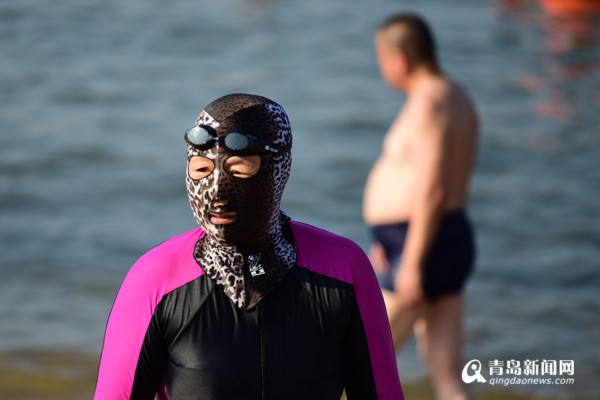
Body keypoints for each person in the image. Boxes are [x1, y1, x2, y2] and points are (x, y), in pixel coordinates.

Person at [95, 93, 404, 399]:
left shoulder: (344, 270)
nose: (216, 191)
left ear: (279, 170)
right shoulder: (156, 279)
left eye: (239, 170)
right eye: (201, 169)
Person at [363, 14, 479, 400]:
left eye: (380, 59)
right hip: (444, 236)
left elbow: (432, 190)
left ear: (399, 59)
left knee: (364, 363)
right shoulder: (458, 96)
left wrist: (411, 260)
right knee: (446, 371)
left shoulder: (428, 103)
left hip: (421, 242)